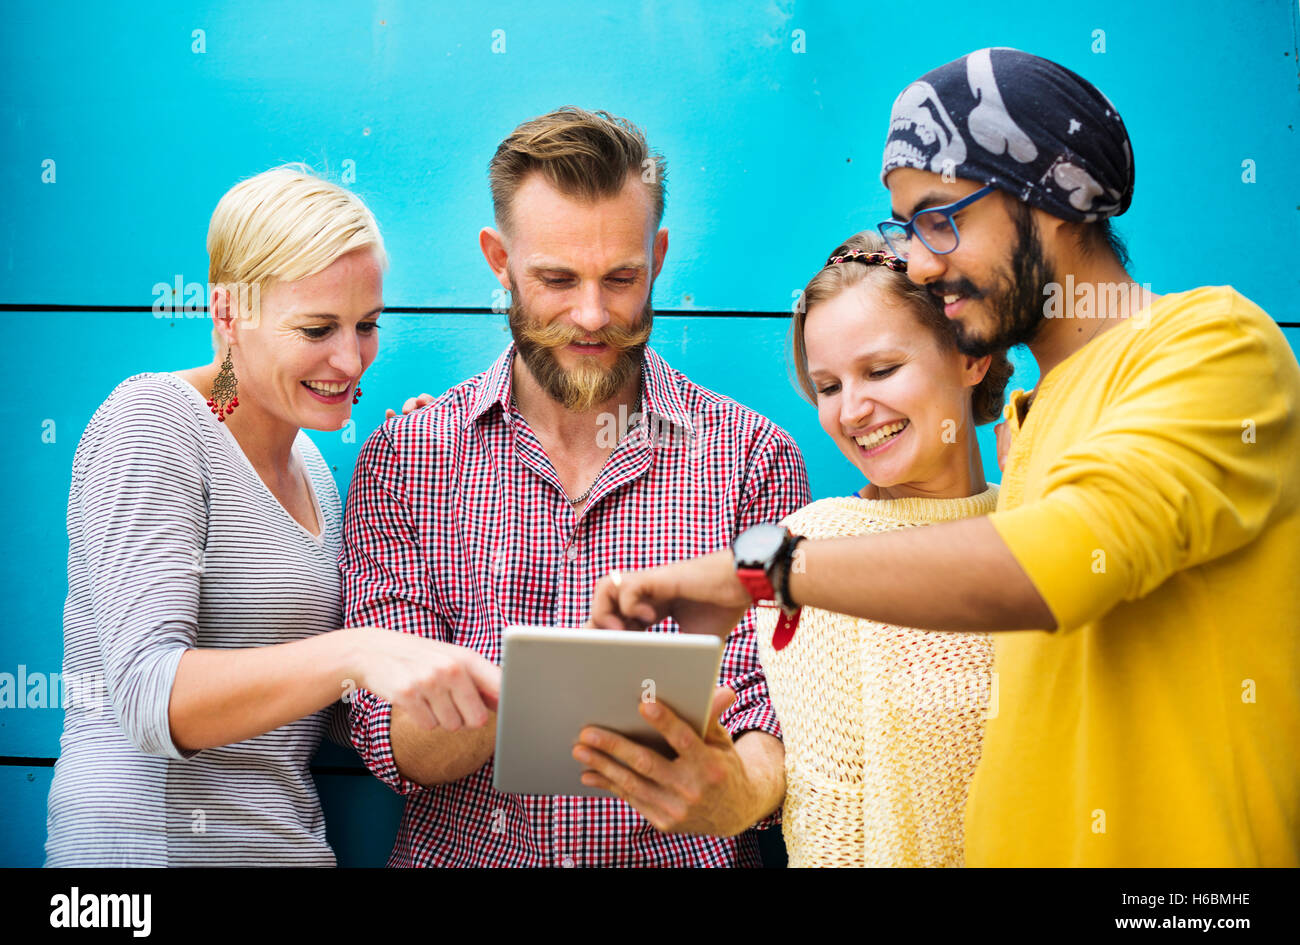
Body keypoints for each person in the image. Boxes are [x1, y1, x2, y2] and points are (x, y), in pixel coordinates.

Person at [588, 48, 1300, 867]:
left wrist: (757, 569)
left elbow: (1062, 557)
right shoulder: (1032, 422)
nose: (922, 262)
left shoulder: (1214, 345)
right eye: (907, 228)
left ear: (1056, 195)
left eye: (940, 217)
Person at [341, 107, 810, 867]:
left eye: (621, 278)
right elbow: (396, 746)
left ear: (658, 257)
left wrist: (741, 793)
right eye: (556, 279)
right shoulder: (407, 458)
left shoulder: (753, 458)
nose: (592, 316)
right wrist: (567, 679)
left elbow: (772, 711)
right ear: (500, 260)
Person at [45, 165, 498, 867]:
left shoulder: (312, 470)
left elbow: (324, 706)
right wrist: (358, 652)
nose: (350, 359)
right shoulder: (155, 422)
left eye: (366, 325)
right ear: (228, 313)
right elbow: (149, 697)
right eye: (317, 328)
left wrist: (435, 472)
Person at [744, 232, 1010, 867]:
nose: (852, 411)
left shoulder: (1042, 525)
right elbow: (830, 826)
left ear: (972, 356)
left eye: (881, 370)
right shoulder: (811, 553)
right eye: (828, 386)